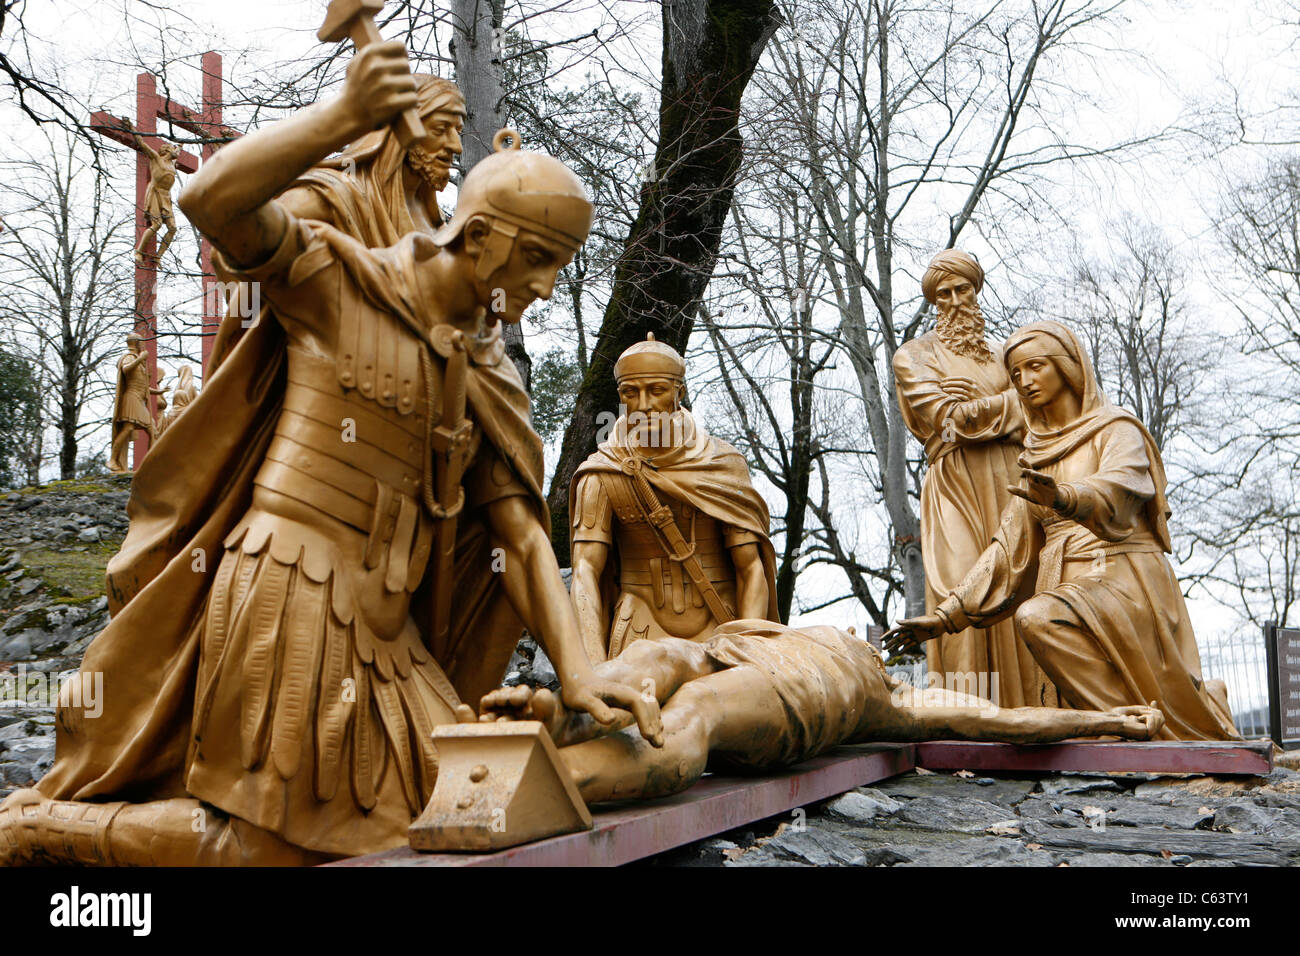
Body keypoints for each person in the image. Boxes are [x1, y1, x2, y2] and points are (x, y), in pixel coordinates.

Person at [0, 40, 658, 867]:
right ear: (480, 235)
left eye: (559, 267)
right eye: (538, 259)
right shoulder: (339, 281)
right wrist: (341, 117)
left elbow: (522, 535)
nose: (547, 286)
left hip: (387, 635)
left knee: (457, 809)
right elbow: (213, 202)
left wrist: (582, 668)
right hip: (291, 590)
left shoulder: (489, 369)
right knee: (270, 853)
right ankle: (38, 833)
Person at [884, 320, 1239, 741]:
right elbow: (1008, 548)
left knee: (1039, 616)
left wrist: (1066, 498)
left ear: (1067, 367)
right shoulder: (1035, 452)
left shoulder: (1115, 429)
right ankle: (1126, 723)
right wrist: (946, 618)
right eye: (1015, 374)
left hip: (1122, 574)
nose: (1024, 382)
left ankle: (1131, 727)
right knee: (1041, 621)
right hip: (1066, 582)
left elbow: (1121, 490)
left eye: (1036, 367)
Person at [480, 622, 1165, 804]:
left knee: (697, 712)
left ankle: (559, 779)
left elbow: (1004, 721)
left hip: (788, 700)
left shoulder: (896, 700)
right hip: (734, 644)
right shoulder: (799, 631)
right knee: (652, 659)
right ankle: (562, 712)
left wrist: (1106, 720)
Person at [892, 249, 1056, 708]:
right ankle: (969, 714)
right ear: (932, 301)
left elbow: (1041, 414)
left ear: (976, 290)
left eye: (963, 289)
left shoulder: (1007, 357)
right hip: (955, 484)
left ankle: (1032, 710)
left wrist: (983, 401)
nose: (954, 300)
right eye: (943, 293)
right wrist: (1006, 403)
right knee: (960, 585)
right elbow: (948, 421)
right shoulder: (914, 356)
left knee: (1021, 583)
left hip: (1013, 480)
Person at [568, 334, 778, 662]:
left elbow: (751, 568)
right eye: (631, 392)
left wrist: (746, 653)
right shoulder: (602, 472)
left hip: (721, 628)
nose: (644, 404)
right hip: (638, 630)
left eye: (656, 390)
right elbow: (584, 573)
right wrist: (593, 666)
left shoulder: (723, 464)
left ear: (678, 392)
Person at [106, 333, 165, 472]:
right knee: (128, 428)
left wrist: (159, 392)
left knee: (153, 430)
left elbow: (143, 387)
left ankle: (149, 465)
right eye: (141, 342)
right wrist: (140, 359)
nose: (143, 345)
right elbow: (126, 370)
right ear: (136, 343)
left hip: (139, 399)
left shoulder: (138, 360)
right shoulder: (129, 357)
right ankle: (113, 460)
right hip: (131, 398)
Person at [132, 133, 181, 266]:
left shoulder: (172, 164)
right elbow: (142, 145)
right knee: (157, 225)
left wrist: (181, 145)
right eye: (173, 147)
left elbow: (178, 152)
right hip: (155, 193)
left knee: (172, 228)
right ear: (167, 150)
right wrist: (132, 130)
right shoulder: (156, 159)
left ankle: (158, 256)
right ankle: (139, 252)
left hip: (166, 197)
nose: (176, 150)